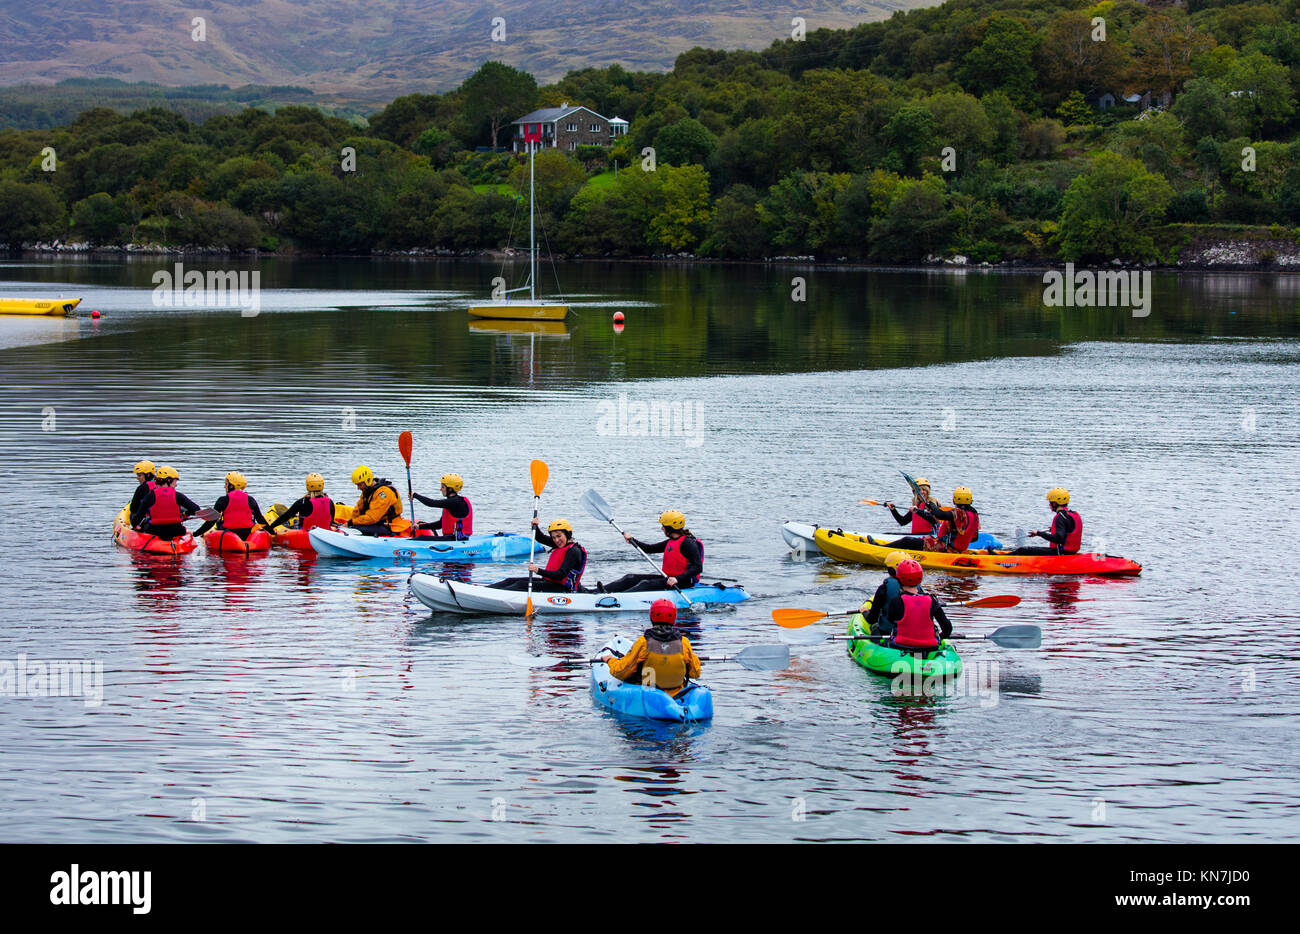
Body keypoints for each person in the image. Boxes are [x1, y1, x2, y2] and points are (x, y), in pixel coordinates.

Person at [600, 599, 701, 697]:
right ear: (674, 618)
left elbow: (621, 672)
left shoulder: (644, 642)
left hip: (649, 695)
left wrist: (610, 660)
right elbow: (695, 673)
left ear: (652, 617)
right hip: (676, 694)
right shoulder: (683, 642)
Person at [600, 510, 703, 593]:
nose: (662, 528)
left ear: (670, 528)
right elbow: (650, 549)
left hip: (681, 582)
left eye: (663, 526)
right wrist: (633, 540)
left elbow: (697, 567)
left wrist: (677, 578)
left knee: (645, 584)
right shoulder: (671, 541)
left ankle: (617, 599)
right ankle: (596, 592)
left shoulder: (688, 543)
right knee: (630, 578)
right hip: (668, 579)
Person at [490, 518, 587, 592]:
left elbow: (560, 575)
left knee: (520, 585)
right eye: (553, 537)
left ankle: (493, 597)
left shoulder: (574, 551)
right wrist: (535, 526)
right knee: (510, 581)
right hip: (550, 583)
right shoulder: (560, 544)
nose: (556, 540)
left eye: (559, 536)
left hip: (563, 589)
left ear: (568, 534)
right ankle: (485, 591)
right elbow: (541, 538)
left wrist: (538, 570)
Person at [876, 486, 980, 553]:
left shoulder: (957, 514)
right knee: (911, 541)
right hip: (957, 549)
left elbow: (939, 514)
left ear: (954, 500)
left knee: (907, 541)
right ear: (970, 500)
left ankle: (879, 549)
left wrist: (931, 506)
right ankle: (882, 546)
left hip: (944, 549)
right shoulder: (975, 515)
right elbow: (974, 538)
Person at [885, 559, 952, 652]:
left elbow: (890, 620)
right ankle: (922, 660)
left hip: (902, 646)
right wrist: (939, 637)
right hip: (929, 647)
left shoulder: (896, 601)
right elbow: (947, 628)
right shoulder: (932, 600)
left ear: (898, 579)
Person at [130, 465, 201, 540]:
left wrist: (136, 526)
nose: (176, 484)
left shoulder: (150, 496)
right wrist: (186, 514)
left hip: (154, 531)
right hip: (176, 531)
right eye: (175, 481)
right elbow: (196, 509)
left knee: (145, 525)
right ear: (169, 480)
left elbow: (137, 517)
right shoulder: (178, 496)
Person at [194, 471, 271, 540]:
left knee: (217, 520)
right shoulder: (251, 499)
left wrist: (196, 534)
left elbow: (210, 522)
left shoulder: (222, 500)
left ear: (231, 486)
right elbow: (260, 519)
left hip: (229, 533)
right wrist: (272, 532)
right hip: (247, 533)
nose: (224, 486)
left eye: (226, 484)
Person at [1010, 487, 1082, 555]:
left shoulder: (1060, 518)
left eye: (1050, 502)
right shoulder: (1073, 514)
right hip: (1070, 553)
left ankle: (1000, 561)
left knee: (1023, 550)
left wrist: (1039, 533)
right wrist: (1054, 529)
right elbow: (1069, 528)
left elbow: (1058, 539)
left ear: (1055, 503)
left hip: (1060, 553)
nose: (1049, 504)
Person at [863, 551, 919, 636]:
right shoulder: (917, 588)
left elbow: (872, 619)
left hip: (888, 632)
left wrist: (864, 612)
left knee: (874, 628)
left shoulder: (884, 589)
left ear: (891, 570)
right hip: (913, 632)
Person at [265, 473, 335, 534]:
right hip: (324, 534)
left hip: (304, 534)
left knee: (291, 522)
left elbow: (286, 516)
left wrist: (270, 528)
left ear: (307, 485)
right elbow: (331, 522)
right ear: (322, 485)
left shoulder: (303, 502)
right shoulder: (330, 502)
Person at [347, 465, 406, 536]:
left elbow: (372, 517)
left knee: (355, 528)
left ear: (368, 481)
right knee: (352, 526)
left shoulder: (383, 493)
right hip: (377, 523)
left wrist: (351, 523)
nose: (358, 488)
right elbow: (358, 510)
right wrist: (349, 522)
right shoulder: (367, 491)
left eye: (359, 485)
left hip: (390, 526)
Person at [411, 473, 473, 541]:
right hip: (453, 538)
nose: (441, 489)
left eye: (443, 487)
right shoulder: (454, 502)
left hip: (456, 539)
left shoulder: (455, 502)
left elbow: (431, 503)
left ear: (450, 489)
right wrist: (419, 526)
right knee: (422, 537)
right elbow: (440, 524)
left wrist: (415, 495)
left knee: (421, 538)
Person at [128, 460, 157, 527]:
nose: (137, 478)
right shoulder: (164, 485)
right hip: (162, 520)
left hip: (147, 521)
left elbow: (133, 508)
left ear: (148, 474)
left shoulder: (142, 488)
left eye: (139, 475)